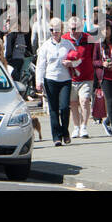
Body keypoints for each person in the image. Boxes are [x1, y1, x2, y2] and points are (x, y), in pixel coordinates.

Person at [35, 18, 77, 147]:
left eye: (57, 30)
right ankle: (56, 137)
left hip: (65, 79)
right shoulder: (46, 46)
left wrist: (71, 63)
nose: (54, 32)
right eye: (52, 30)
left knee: (64, 107)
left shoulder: (68, 44)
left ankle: (65, 131)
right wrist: (39, 81)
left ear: (61, 30)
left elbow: (78, 59)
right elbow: (41, 65)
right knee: (53, 109)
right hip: (50, 79)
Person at [64, 16, 96, 139]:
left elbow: (95, 55)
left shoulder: (89, 39)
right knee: (73, 103)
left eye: (77, 28)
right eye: (72, 28)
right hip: (71, 77)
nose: (74, 31)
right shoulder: (64, 39)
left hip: (86, 76)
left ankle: (84, 126)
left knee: (84, 100)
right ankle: (76, 126)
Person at [98, 20, 112, 138]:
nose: (106, 32)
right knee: (110, 102)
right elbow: (94, 61)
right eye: (103, 29)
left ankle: (107, 121)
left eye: (108, 29)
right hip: (105, 77)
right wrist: (103, 64)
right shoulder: (98, 45)